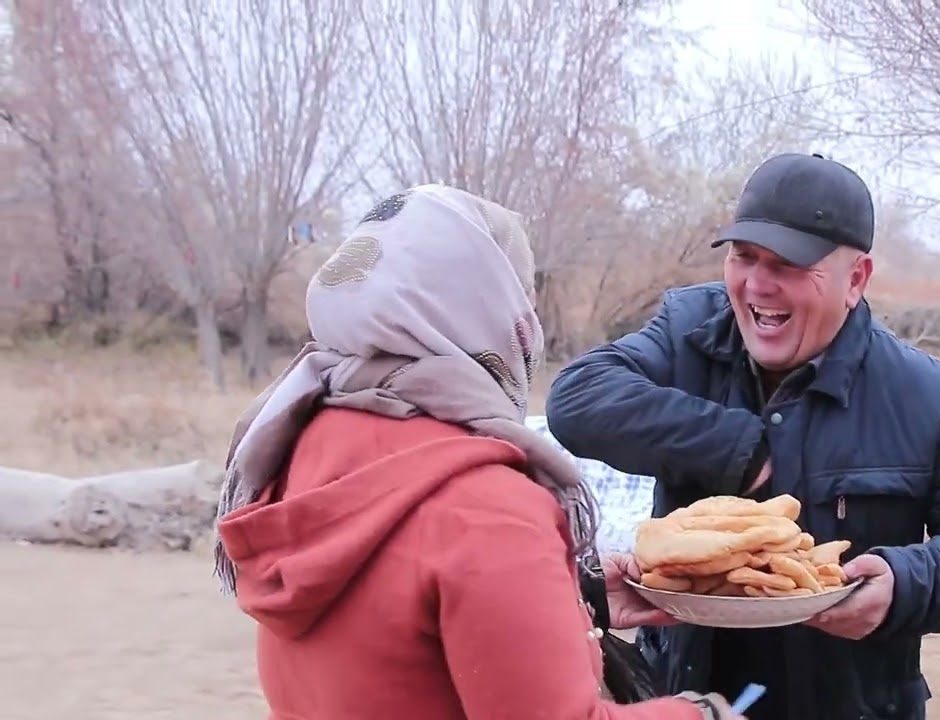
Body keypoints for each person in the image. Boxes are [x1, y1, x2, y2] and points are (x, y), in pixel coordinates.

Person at [545, 153, 940, 720]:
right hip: (685, 700)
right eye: (744, 256)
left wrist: (906, 584)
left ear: (855, 279)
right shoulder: (690, 333)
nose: (758, 285)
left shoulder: (925, 395)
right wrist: (736, 450)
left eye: (788, 264)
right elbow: (578, 398)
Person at [211, 184, 744, 720]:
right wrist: (700, 714)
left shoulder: (300, 438)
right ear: (485, 308)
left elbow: (392, 625)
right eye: (521, 297)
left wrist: (573, 596)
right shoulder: (487, 506)